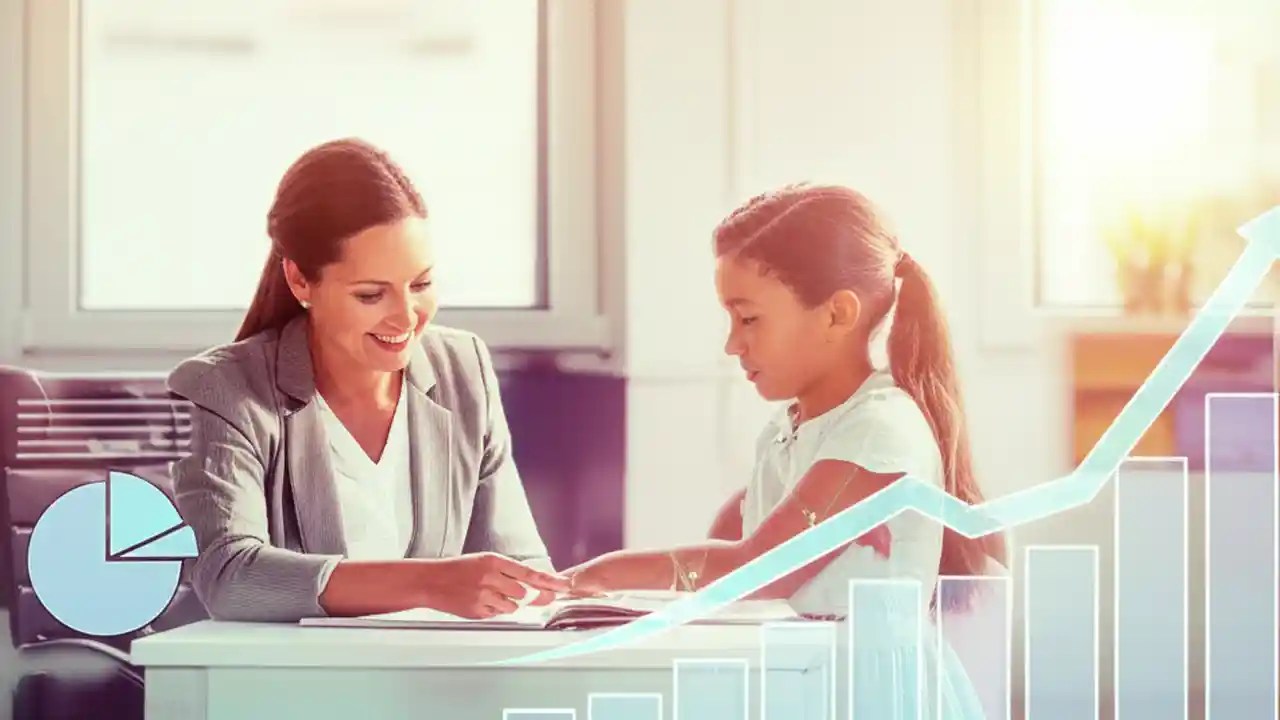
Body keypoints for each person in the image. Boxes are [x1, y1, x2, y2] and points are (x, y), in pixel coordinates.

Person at [564, 183, 1006, 717]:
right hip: (804, 683)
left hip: (868, 696)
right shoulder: (789, 432)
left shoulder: (878, 430)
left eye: (749, 318)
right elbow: (728, 546)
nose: (732, 343)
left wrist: (601, 575)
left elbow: (759, 570)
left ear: (837, 314)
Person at [167, 137, 568, 623]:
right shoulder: (227, 388)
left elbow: (521, 568)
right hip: (291, 670)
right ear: (300, 281)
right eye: (371, 295)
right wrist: (428, 584)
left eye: (420, 285)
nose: (407, 317)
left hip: (430, 667)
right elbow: (230, 576)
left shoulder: (463, 368)